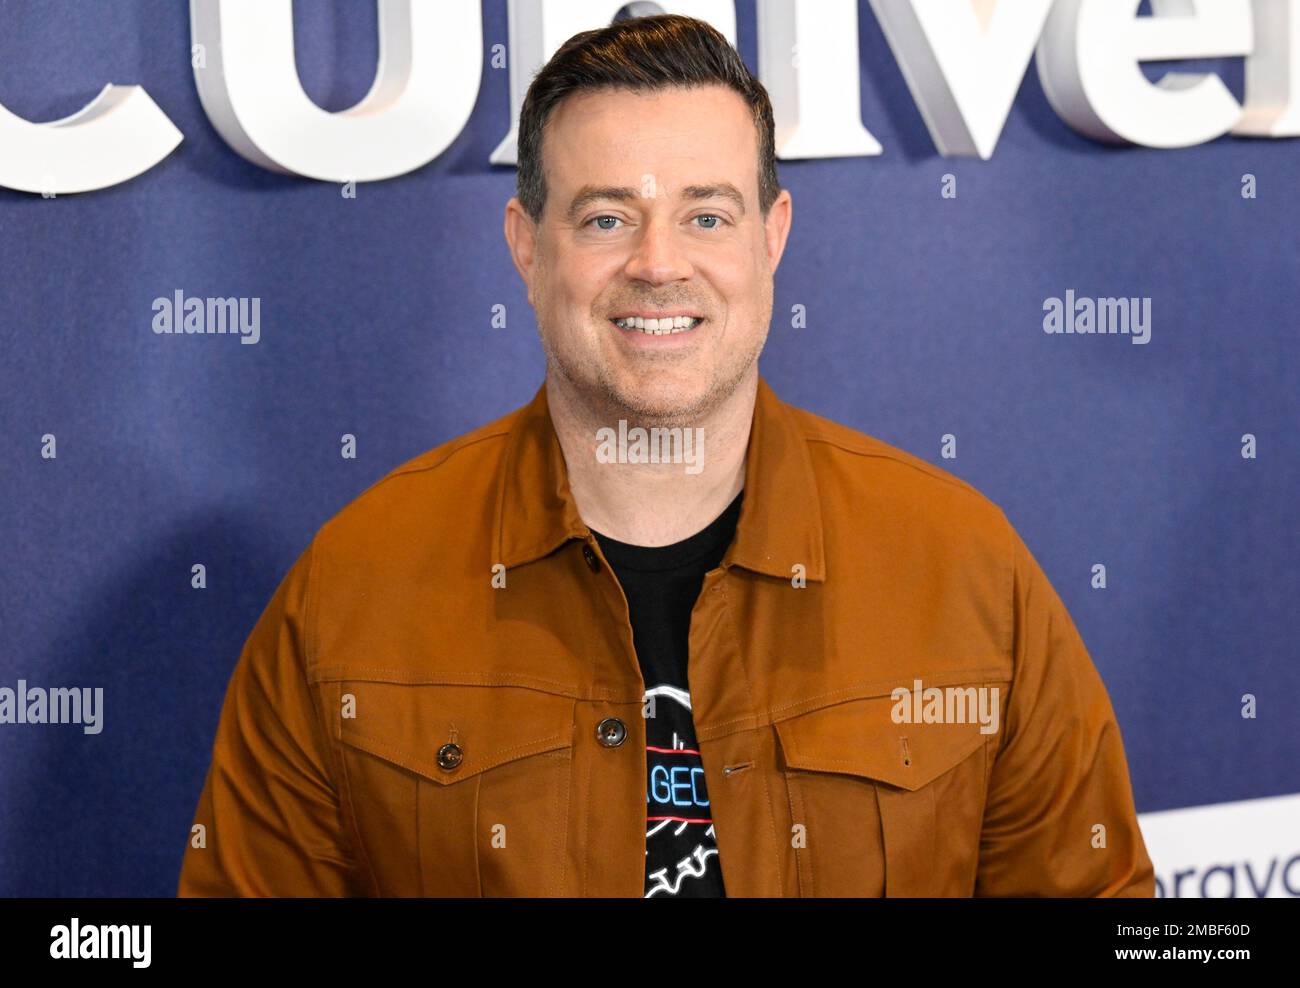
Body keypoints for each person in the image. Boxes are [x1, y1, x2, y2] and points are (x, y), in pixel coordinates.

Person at [178, 13, 1153, 898]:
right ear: (526, 246)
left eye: (706, 214)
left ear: (771, 237)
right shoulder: (356, 587)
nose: (657, 262)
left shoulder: (961, 568)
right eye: (606, 217)